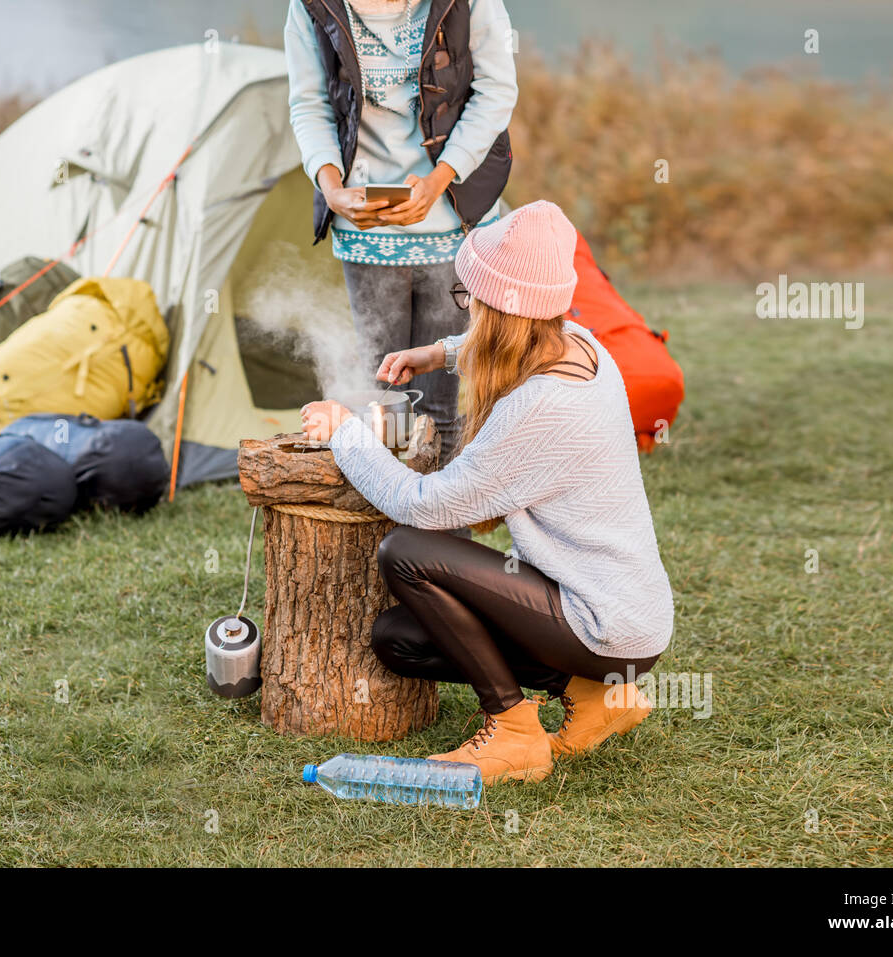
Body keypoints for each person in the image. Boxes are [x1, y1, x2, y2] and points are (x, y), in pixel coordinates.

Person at [300, 201, 675, 785]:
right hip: (627, 616)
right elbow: (507, 343)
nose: (465, 305)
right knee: (400, 640)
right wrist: (439, 353)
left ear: (499, 310)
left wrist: (346, 432)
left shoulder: (538, 408)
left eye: (468, 297)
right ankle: (597, 697)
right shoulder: (583, 345)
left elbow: (426, 506)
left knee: (408, 552)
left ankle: (514, 735)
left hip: (604, 625)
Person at [284, 0, 517, 465]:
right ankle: (391, 534)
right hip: (364, 233)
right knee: (384, 406)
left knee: (439, 407)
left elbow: (496, 91)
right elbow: (308, 104)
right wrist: (331, 189)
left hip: (453, 221)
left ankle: (442, 530)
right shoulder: (312, 5)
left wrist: (438, 180)